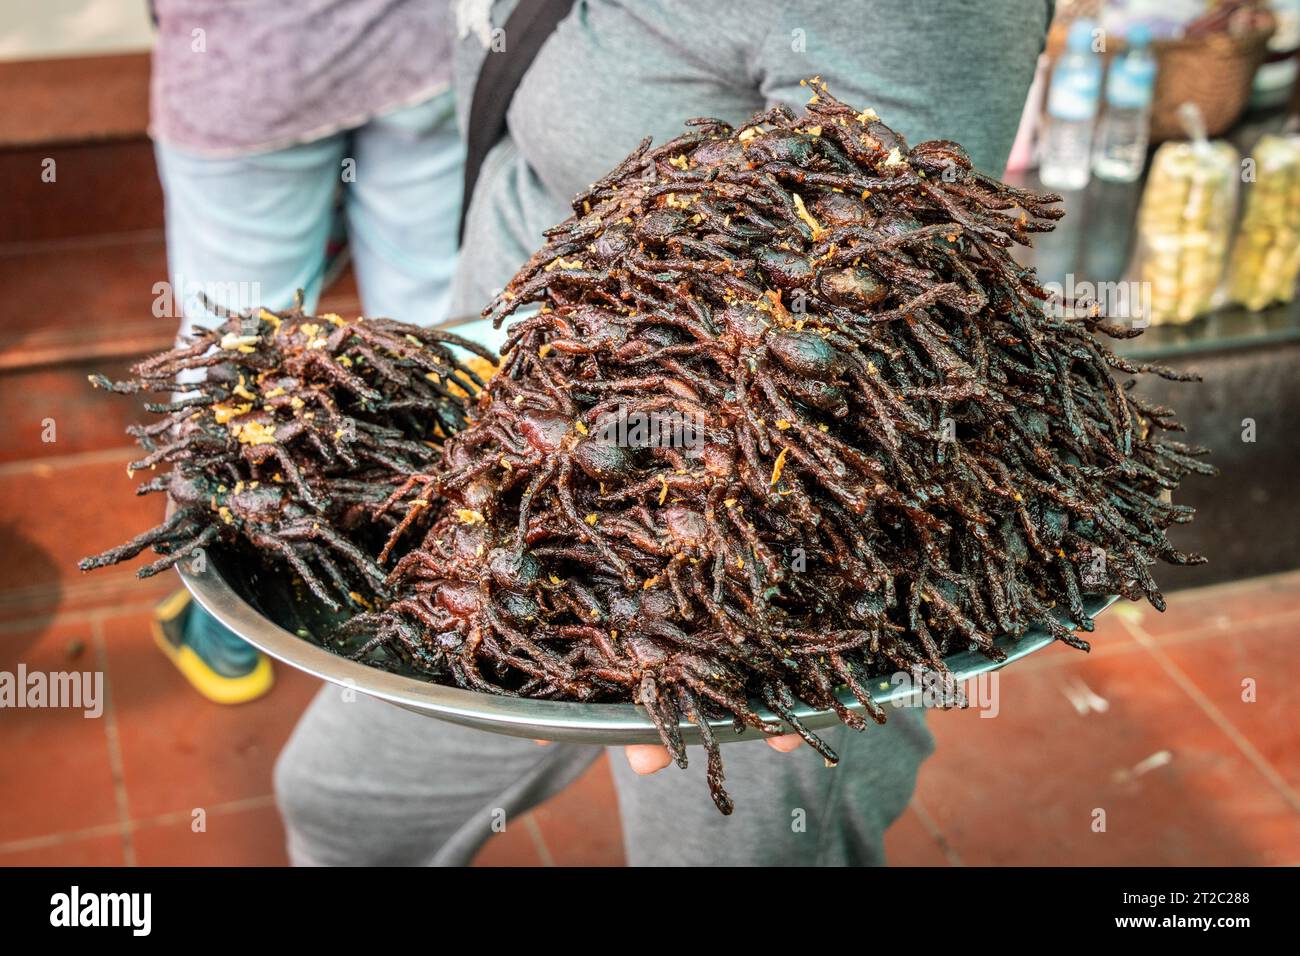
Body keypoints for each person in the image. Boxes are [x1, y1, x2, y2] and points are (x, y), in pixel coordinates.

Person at [273, 0, 1055, 865]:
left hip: (768, 565)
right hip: (511, 477)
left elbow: (878, 340)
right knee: (341, 804)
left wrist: (720, 574)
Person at [146, 0, 463, 703]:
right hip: (419, 53)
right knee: (427, 326)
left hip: (248, 63)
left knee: (228, 349)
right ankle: (432, 579)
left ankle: (224, 628)